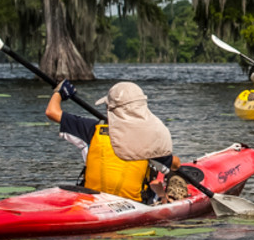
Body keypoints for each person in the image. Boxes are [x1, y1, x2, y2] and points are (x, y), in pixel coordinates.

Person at [45, 79, 176, 202]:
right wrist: (165, 157)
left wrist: (59, 93)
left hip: (91, 200)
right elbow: (175, 165)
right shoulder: (148, 138)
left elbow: (52, 112)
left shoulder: (91, 128)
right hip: (133, 203)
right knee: (164, 180)